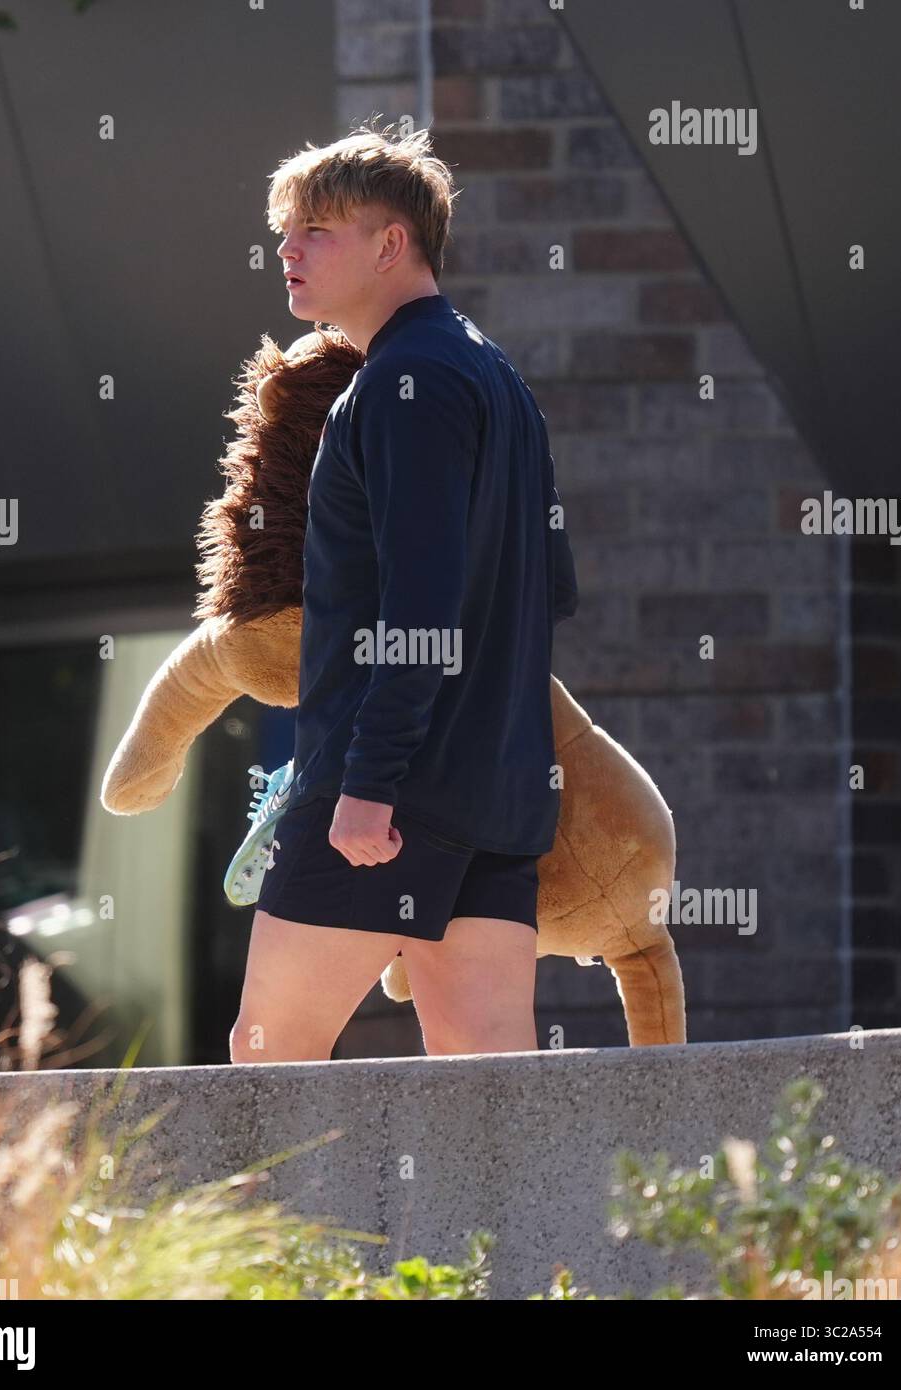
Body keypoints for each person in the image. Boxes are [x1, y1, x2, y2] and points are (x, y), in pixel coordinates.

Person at [230, 124, 577, 1065]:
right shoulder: (499, 378)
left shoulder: (403, 380)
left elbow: (420, 612)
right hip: (495, 801)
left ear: (392, 245)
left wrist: (368, 784)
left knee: (266, 1062)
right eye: (284, 234)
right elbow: (550, 595)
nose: (288, 252)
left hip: (388, 794)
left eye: (317, 232)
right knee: (488, 1099)